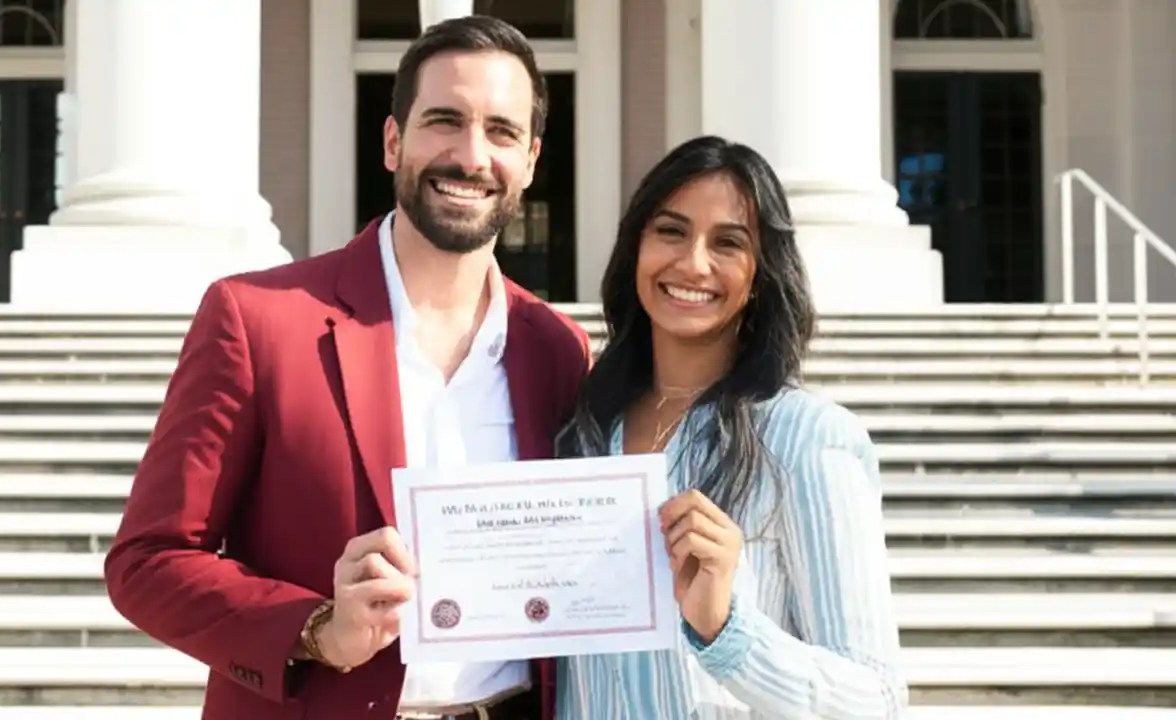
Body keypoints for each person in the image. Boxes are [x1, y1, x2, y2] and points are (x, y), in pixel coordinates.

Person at [104, 16, 589, 720]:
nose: (471, 156)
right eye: (444, 121)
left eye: (502, 132)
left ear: (532, 159)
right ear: (393, 142)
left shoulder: (558, 348)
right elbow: (146, 563)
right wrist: (316, 630)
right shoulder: (256, 319)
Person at [555, 136, 908, 719]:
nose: (693, 263)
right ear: (635, 247)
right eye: (670, 231)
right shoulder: (583, 434)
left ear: (761, 273)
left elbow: (876, 700)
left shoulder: (807, 439)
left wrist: (726, 629)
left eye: (728, 243)